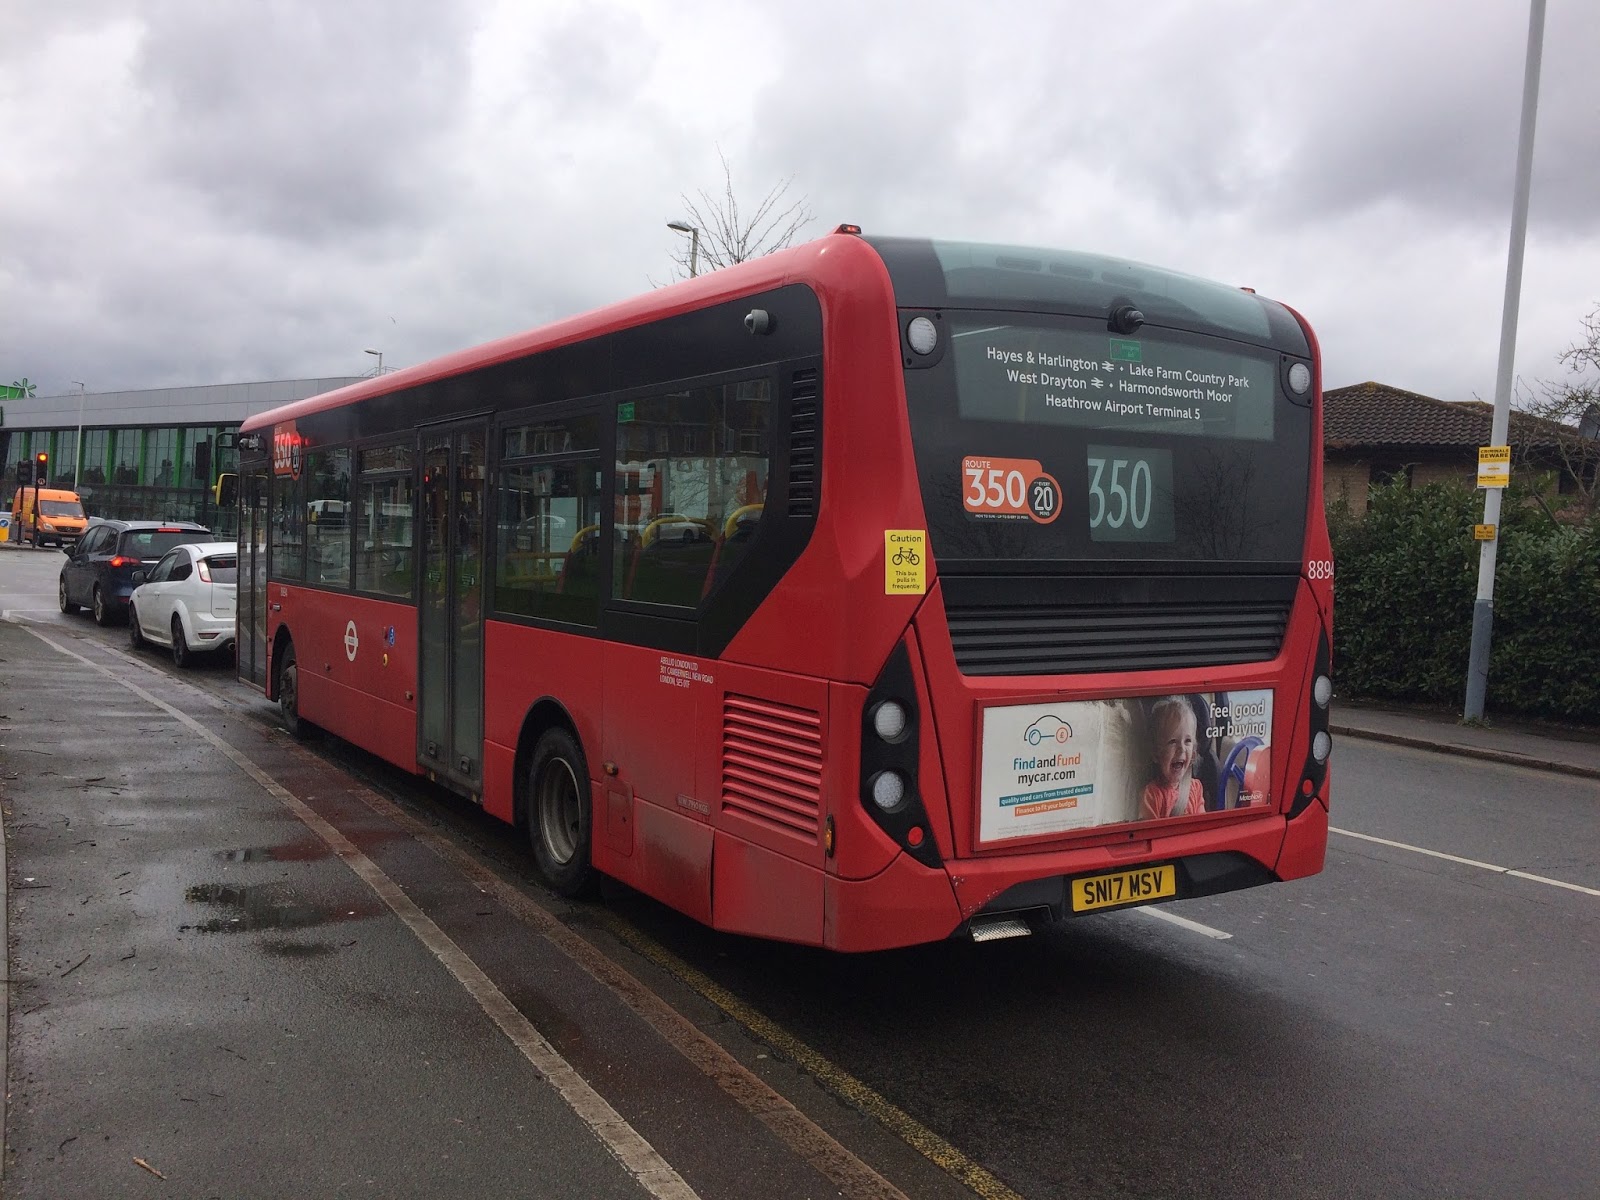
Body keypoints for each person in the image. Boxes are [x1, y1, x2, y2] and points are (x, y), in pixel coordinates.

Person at [1139, 697, 1206, 820]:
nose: (1181, 748)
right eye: (1172, 741)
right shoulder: (1152, 795)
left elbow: (1201, 828)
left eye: (1188, 741)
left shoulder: (1195, 789)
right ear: (1156, 753)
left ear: (1194, 753)